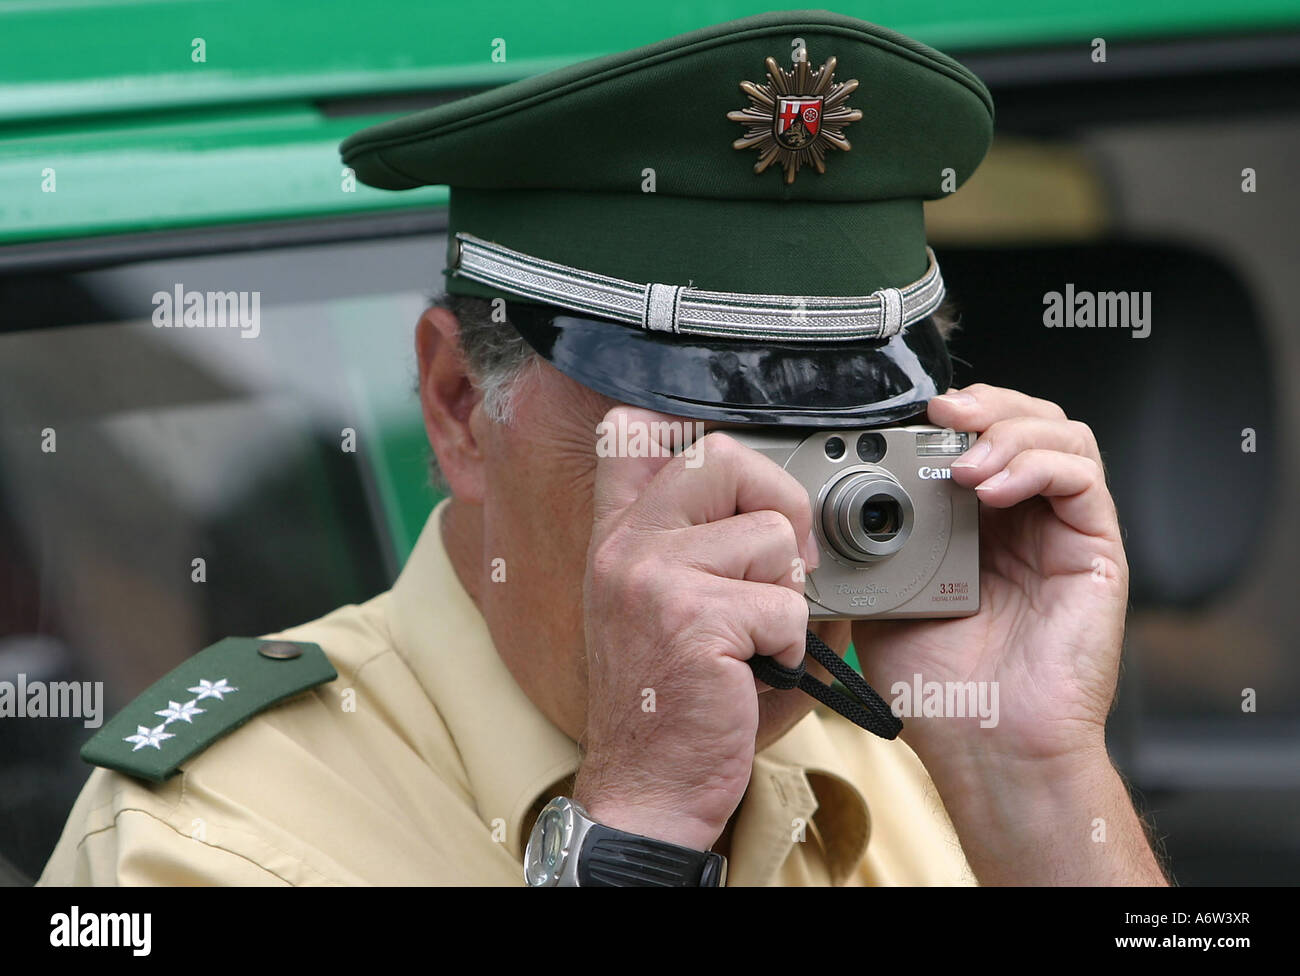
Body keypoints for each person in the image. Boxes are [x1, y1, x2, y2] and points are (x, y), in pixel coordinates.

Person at [39, 11, 1166, 886]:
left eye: (840, 436)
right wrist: (638, 830)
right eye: (698, 434)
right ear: (456, 405)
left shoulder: (904, 771)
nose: (779, 516)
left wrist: (1033, 780)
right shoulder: (204, 835)